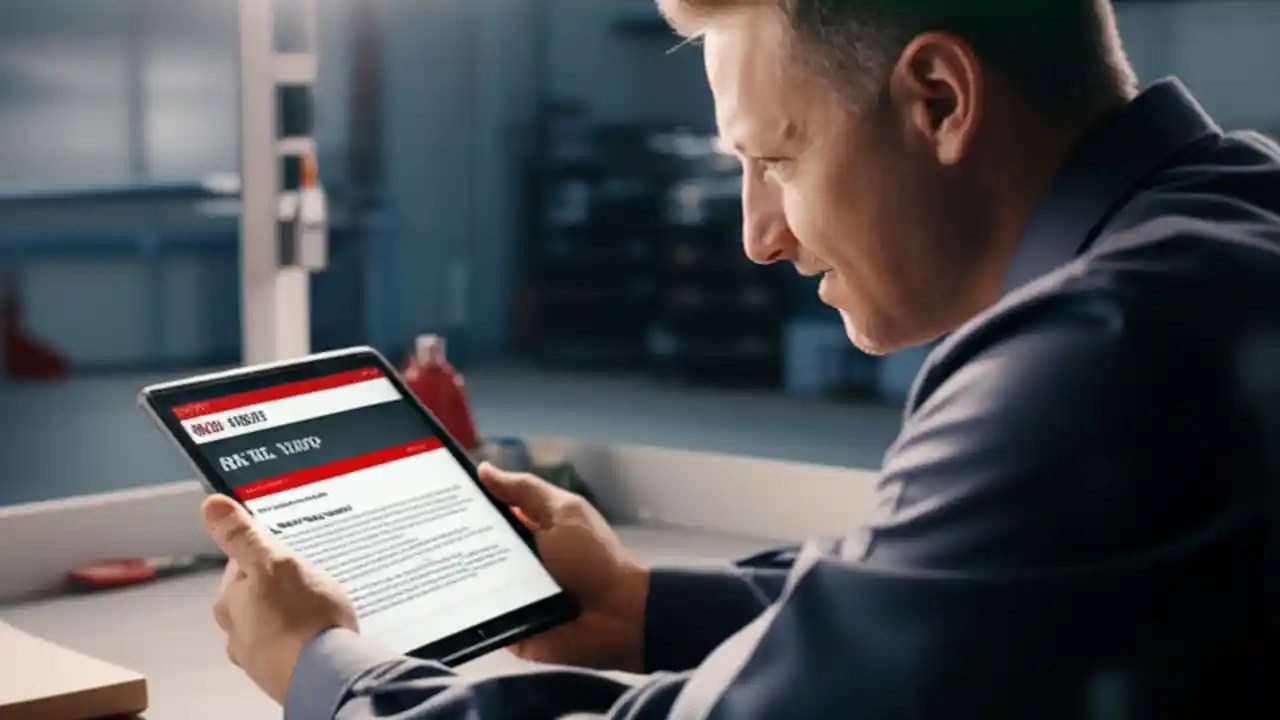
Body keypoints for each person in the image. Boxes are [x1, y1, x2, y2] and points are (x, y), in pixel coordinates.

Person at [202, 0, 1278, 717]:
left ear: (939, 100)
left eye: (777, 159)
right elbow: (962, 605)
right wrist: (638, 607)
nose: (758, 237)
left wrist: (324, 672)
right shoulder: (1228, 225)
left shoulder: (1097, 355)